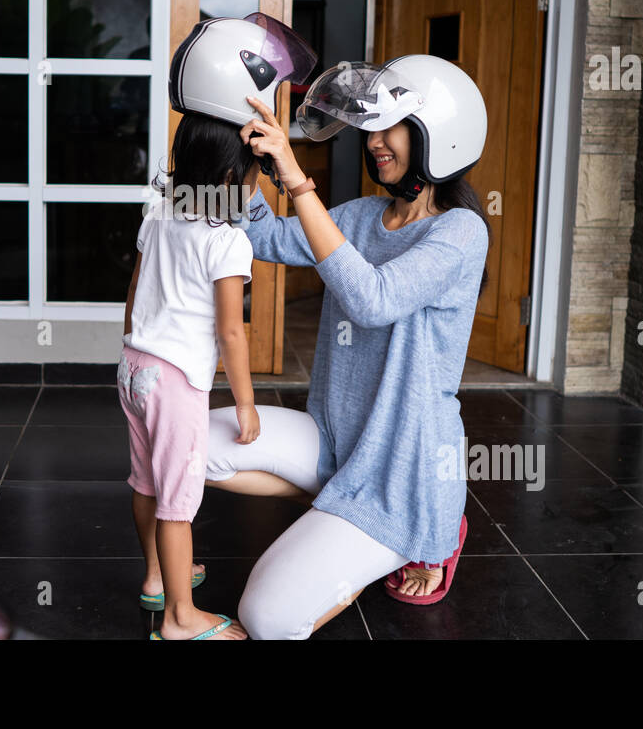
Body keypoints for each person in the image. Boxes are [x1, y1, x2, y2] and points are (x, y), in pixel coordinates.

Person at [202, 54, 492, 640]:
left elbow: (374, 299)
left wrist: (296, 178)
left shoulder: (459, 233)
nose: (376, 142)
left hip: (400, 468)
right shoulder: (362, 215)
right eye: (372, 128)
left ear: (441, 136)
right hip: (335, 440)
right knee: (185, 444)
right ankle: (341, 520)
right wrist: (256, 163)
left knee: (266, 618)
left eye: (394, 128)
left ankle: (423, 528)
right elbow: (262, 234)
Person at [119, 13, 318, 641]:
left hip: (134, 367)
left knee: (145, 480)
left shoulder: (160, 213)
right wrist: (248, 404)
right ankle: (181, 619)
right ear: (237, 178)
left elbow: (133, 295)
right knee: (180, 501)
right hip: (177, 380)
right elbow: (232, 335)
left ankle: (156, 579)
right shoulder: (228, 242)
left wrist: (135, 344)